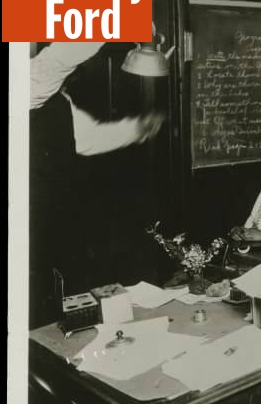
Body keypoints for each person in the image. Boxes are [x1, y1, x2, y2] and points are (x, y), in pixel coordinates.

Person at [29, 41, 165, 328]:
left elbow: (87, 139)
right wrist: (115, 15)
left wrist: (139, 128)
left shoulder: (57, 98)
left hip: (57, 215)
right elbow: (56, 60)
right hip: (28, 220)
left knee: (63, 295)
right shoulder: (26, 84)